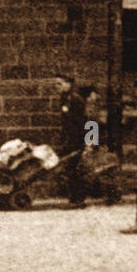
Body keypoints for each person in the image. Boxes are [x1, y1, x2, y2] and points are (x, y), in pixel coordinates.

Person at [55, 73, 88, 208]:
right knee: (70, 170)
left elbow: (85, 121)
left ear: (69, 84)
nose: (57, 87)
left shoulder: (76, 99)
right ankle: (74, 199)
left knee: (74, 170)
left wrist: (88, 142)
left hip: (77, 140)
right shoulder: (65, 98)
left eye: (59, 84)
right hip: (69, 139)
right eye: (55, 84)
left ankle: (78, 200)